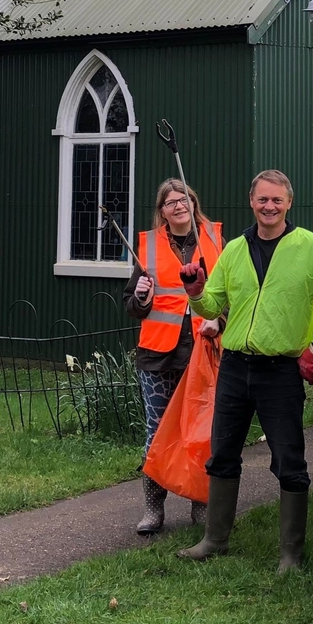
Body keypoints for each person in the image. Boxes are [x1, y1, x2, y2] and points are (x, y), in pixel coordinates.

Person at [176, 169, 313, 572]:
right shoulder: (233, 249)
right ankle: (214, 538)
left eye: (277, 200)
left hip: (282, 371)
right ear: (251, 201)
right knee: (222, 452)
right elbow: (213, 306)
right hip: (235, 366)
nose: (269, 206)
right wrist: (196, 292)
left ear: (289, 203)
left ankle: (290, 553)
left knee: (289, 458)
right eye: (262, 199)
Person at [124, 179, 224, 536]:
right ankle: (154, 508)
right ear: (162, 210)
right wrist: (141, 296)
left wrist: (220, 319)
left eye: (183, 199)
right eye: (170, 202)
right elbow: (133, 306)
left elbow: (232, 294)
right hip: (157, 356)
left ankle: (200, 504)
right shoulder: (147, 248)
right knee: (156, 434)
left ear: (193, 203)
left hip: (203, 351)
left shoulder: (215, 242)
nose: (178, 206)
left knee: (201, 431)